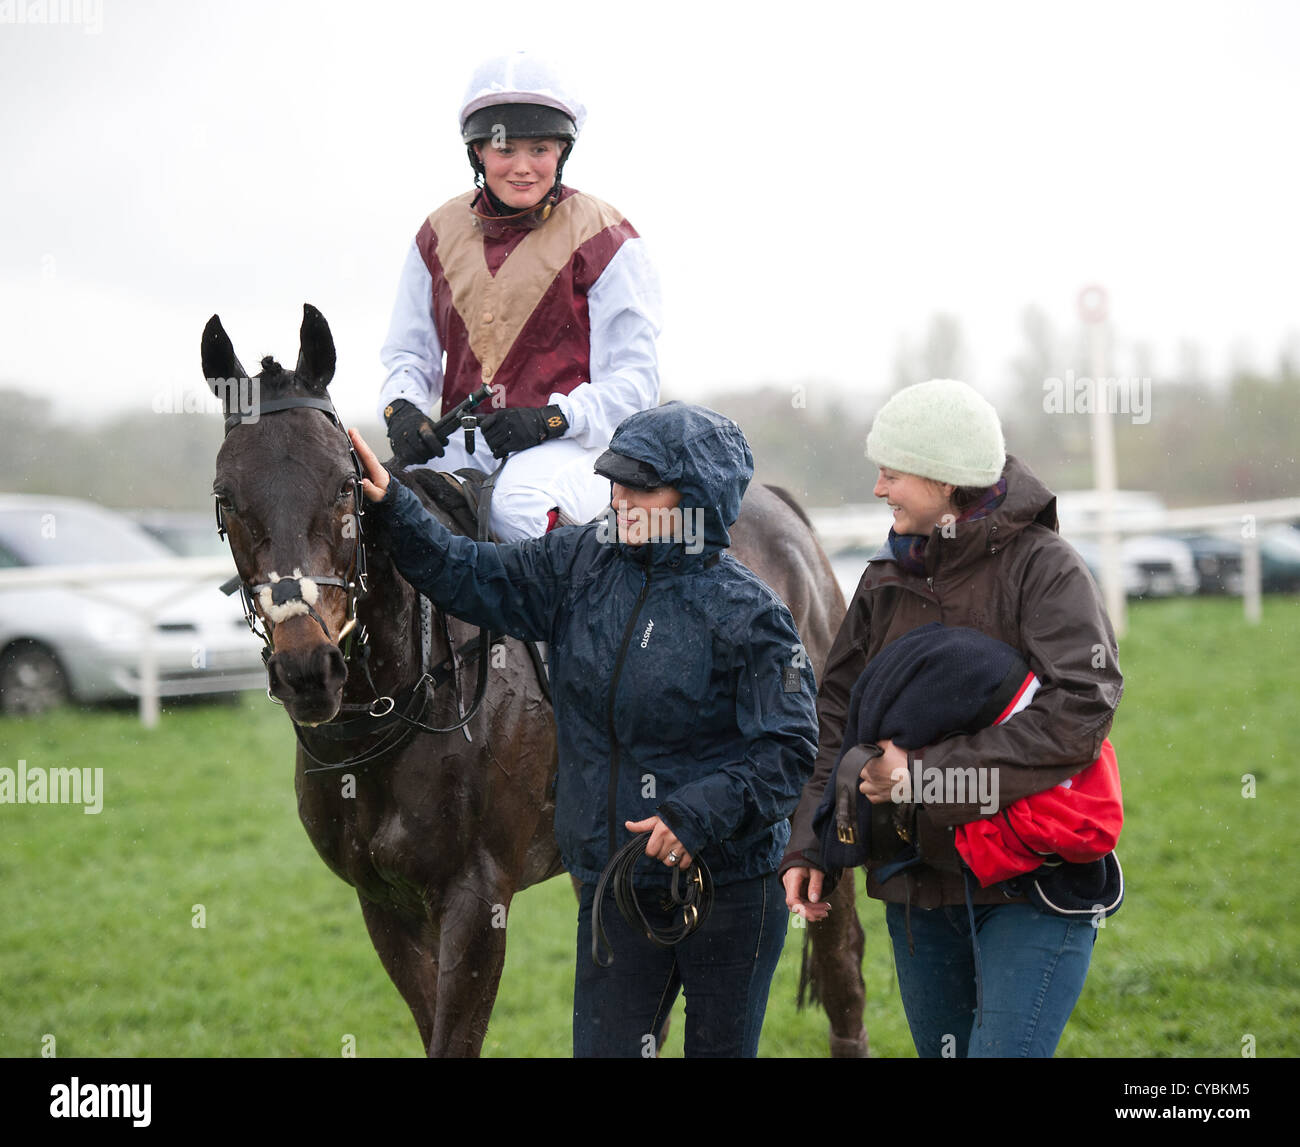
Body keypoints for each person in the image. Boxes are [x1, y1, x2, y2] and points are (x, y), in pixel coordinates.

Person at [348, 402, 819, 1057]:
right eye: (614, 480)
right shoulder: (580, 562)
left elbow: (788, 750)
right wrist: (393, 504)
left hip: (731, 897)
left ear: (695, 500)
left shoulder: (756, 616)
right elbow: (469, 573)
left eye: (637, 485)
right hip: (614, 890)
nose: (615, 496)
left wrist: (695, 817)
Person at [781, 378, 1124, 1058]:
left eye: (891, 473)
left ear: (945, 480)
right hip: (917, 888)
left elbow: (1081, 709)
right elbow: (836, 717)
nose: (879, 489)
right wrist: (811, 841)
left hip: (1035, 884)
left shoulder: (1046, 568)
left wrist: (927, 777)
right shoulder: (883, 580)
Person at [378, 50, 662, 542]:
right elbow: (409, 354)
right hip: (462, 447)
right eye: (505, 150)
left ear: (562, 152)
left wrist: (551, 418)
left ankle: (576, 617)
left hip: (577, 448)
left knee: (517, 509)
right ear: (478, 154)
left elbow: (636, 383)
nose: (523, 168)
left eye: (540, 150)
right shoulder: (436, 233)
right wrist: (401, 407)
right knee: (376, 504)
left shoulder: (606, 235)